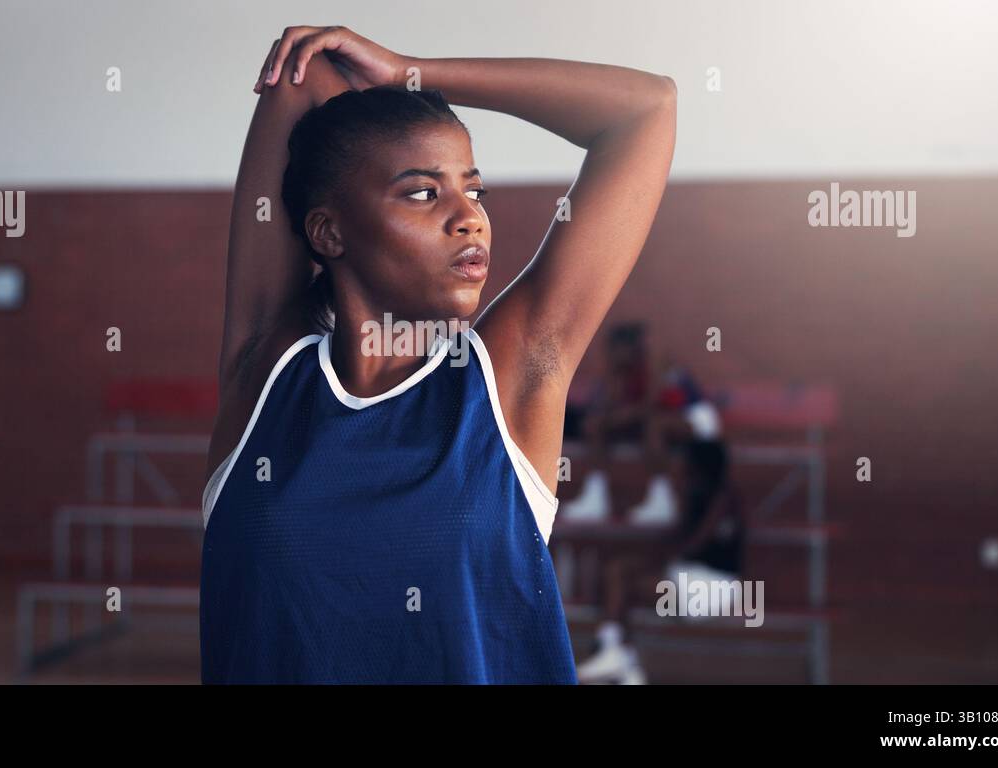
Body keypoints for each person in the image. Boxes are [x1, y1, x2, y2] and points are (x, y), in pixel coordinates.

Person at [199, 25, 676, 683]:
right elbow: (301, 76)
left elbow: (644, 110)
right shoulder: (267, 380)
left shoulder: (507, 381)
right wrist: (385, 98)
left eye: (473, 189)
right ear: (329, 230)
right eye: (424, 192)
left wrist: (411, 73)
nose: (469, 217)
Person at [576, 437, 746, 684]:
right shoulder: (697, 493)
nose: (678, 465)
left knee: (623, 584)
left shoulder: (723, 497)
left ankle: (618, 655)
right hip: (692, 578)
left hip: (712, 589)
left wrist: (659, 559)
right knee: (618, 573)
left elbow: (694, 543)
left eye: (684, 461)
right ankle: (617, 653)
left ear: (697, 466)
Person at [562, 323, 724, 525]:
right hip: (656, 417)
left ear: (628, 348)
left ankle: (662, 499)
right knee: (595, 426)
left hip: (694, 417)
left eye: (613, 350)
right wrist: (613, 383)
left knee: (654, 426)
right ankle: (596, 495)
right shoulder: (621, 370)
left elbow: (651, 404)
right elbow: (608, 405)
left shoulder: (656, 361)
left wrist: (618, 418)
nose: (609, 356)